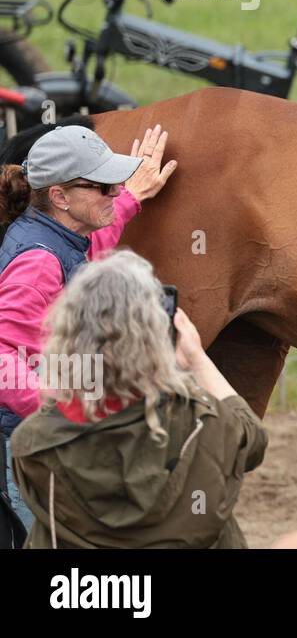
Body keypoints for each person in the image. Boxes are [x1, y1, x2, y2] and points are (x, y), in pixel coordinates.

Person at [12, 251, 267, 548]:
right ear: (156, 335)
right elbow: (253, 438)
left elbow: (64, 407)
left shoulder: (33, 443)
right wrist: (197, 359)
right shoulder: (199, 424)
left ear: (69, 335)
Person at [0, 122, 176, 533]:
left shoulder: (57, 233)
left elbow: (88, 249)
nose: (114, 191)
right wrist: (57, 411)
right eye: (103, 187)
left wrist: (133, 196)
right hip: (28, 445)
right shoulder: (38, 261)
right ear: (60, 196)